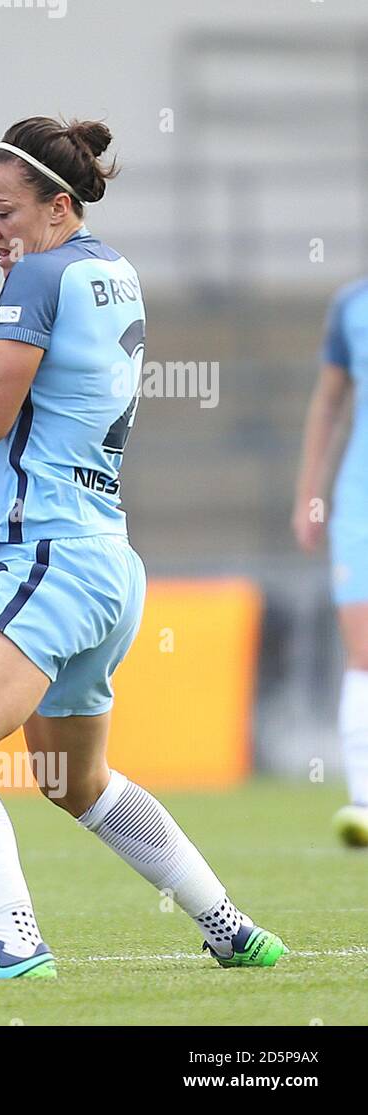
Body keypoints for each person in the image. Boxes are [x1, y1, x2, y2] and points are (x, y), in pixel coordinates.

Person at [0, 116, 288, 979]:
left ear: (58, 205)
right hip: (107, 557)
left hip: (49, 555)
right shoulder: (114, 268)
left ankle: (14, 940)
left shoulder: (38, 275)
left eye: (1, 210)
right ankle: (228, 924)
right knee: (75, 780)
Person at [294, 279, 368, 847]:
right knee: (363, 651)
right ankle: (364, 799)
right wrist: (309, 496)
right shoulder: (351, 305)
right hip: (359, 505)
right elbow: (327, 402)